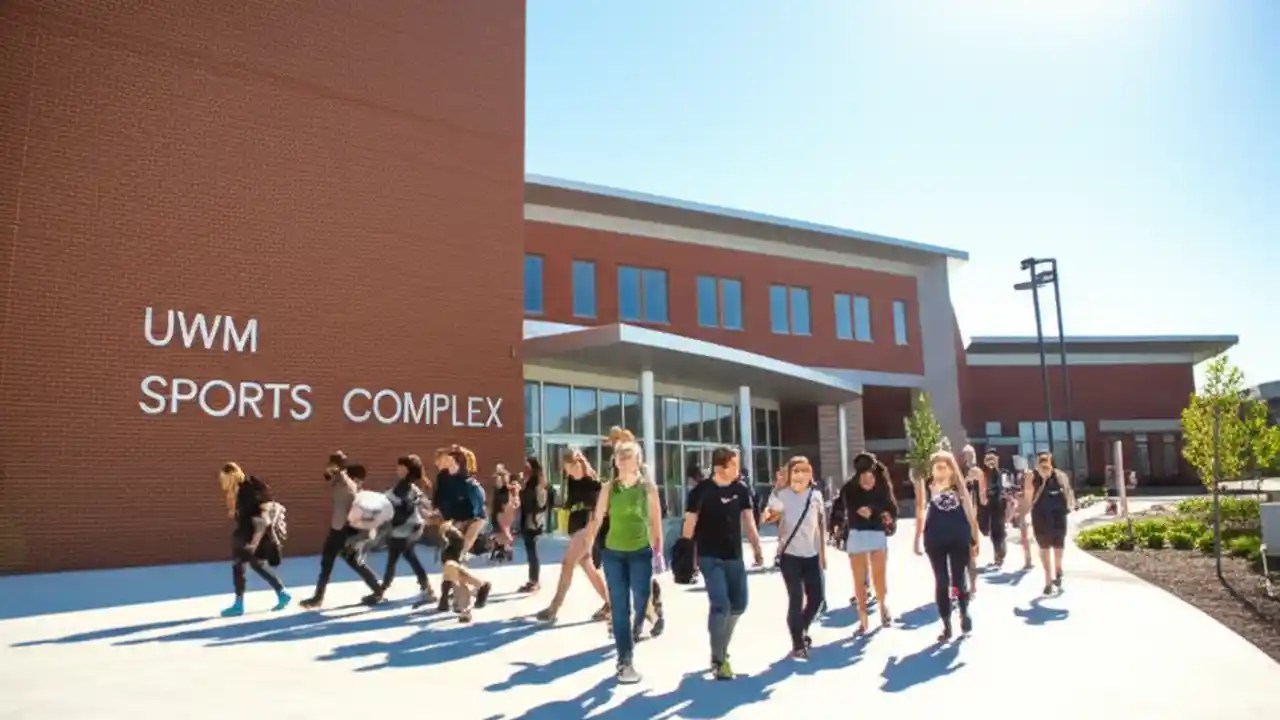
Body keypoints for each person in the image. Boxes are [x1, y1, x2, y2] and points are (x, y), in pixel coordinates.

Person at [682, 446, 764, 681]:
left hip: (734, 556)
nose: (738, 469)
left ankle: (720, 646)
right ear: (720, 467)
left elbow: (749, 521)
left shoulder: (741, 489)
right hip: (709, 557)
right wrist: (686, 554)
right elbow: (689, 523)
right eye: (734, 464)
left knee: (739, 605)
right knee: (720, 605)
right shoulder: (701, 491)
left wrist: (757, 548)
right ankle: (719, 659)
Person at [588, 440, 665, 683]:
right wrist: (589, 544)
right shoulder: (609, 488)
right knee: (619, 607)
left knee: (641, 600)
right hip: (613, 553)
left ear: (637, 461)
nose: (621, 460)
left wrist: (659, 551)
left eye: (627, 456)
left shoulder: (648, 488)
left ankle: (636, 628)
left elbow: (655, 520)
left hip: (640, 552)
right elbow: (598, 518)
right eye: (619, 456)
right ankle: (625, 660)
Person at [300, 452, 385, 609]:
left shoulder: (345, 482)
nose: (328, 466)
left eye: (332, 464)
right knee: (337, 562)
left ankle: (318, 598)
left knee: (343, 562)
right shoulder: (340, 480)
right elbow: (328, 476)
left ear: (338, 466)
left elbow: (334, 478)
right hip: (339, 529)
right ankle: (377, 590)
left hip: (343, 530)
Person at [914, 449, 982, 642]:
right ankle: (946, 623)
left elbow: (969, 509)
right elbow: (920, 509)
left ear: (952, 469)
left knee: (959, 579)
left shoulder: (958, 486)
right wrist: (917, 538)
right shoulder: (927, 484)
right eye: (938, 467)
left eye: (945, 466)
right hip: (935, 536)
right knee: (941, 580)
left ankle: (964, 611)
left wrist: (975, 536)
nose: (941, 470)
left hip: (958, 534)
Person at [536, 447, 610, 623]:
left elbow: (598, 510)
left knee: (568, 563)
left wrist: (590, 533)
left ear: (575, 464)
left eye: (567, 467)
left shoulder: (592, 481)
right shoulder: (571, 480)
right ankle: (611, 604)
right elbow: (569, 503)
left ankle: (554, 607)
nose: (566, 471)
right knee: (588, 567)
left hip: (587, 525)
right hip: (576, 524)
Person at [767, 456, 826, 658]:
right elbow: (769, 516)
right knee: (796, 598)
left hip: (811, 555)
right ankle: (798, 643)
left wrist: (823, 553)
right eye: (796, 471)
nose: (800, 475)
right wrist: (777, 488)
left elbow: (820, 524)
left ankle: (802, 628)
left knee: (817, 598)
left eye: (804, 470)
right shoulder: (783, 495)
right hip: (790, 555)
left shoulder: (816, 495)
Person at [218, 463, 290, 616]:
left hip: (249, 536)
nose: (222, 481)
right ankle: (282, 593)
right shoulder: (239, 491)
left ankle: (238, 605)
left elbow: (259, 519)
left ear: (232, 476)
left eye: (224, 478)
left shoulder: (245, 492)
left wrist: (253, 543)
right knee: (257, 565)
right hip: (246, 534)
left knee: (239, 567)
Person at [840, 452, 896, 633]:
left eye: (869, 476)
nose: (866, 481)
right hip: (856, 534)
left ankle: (883, 606)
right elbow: (842, 508)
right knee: (859, 580)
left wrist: (874, 510)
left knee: (879, 576)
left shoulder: (882, 486)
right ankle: (863, 619)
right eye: (862, 477)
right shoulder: (849, 488)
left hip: (877, 533)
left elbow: (892, 507)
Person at [381, 454, 435, 603]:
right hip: (409, 527)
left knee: (395, 557)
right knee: (407, 556)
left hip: (405, 528)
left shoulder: (405, 486)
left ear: (407, 469)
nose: (397, 469)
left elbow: (406, 506)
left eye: (401, 467)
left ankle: (382, 589)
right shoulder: (407, 485)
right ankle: (427, 587)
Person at [1024, 451, 1076, 594]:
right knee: (1044, 547)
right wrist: (1041, 481)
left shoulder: (1060, 476)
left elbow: (1068, 492)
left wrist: (1070, 506)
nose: (1044, 466)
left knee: (1058, 546)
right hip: (1040, 517)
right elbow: (1029, 499)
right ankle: (1048, 579)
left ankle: (1058, 569)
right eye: (1041, 463)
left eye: (1046, 462)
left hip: (1058, 515)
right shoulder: (1032, 477)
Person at [437, 520, 492, 622]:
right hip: (452, 561)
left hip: (453, 562)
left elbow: (459, 540)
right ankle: (481, 585)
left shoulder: (455, 539)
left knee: (459, 582)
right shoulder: (451, 540)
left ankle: (466, 609)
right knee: (457, 578)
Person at [518, 456, 550, 593]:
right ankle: (532, 580)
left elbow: (541, 503)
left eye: (527, 465)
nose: (525, 468)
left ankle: (535, 581)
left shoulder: (538, 482)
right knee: (530, 551)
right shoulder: (529, 481)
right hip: (526, 518)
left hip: (533, 520)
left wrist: (537, 519)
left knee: (532, 552)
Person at [979, 449, 1008, 568]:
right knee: (989, 530)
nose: (991, 462)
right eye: (988, 459)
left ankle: (999, 556)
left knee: (998, 531)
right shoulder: (983, 473)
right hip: (986, 505)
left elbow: (1005, 487)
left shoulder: (1002, 473)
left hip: (999, 505)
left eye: (993, 459)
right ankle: (998, 554)